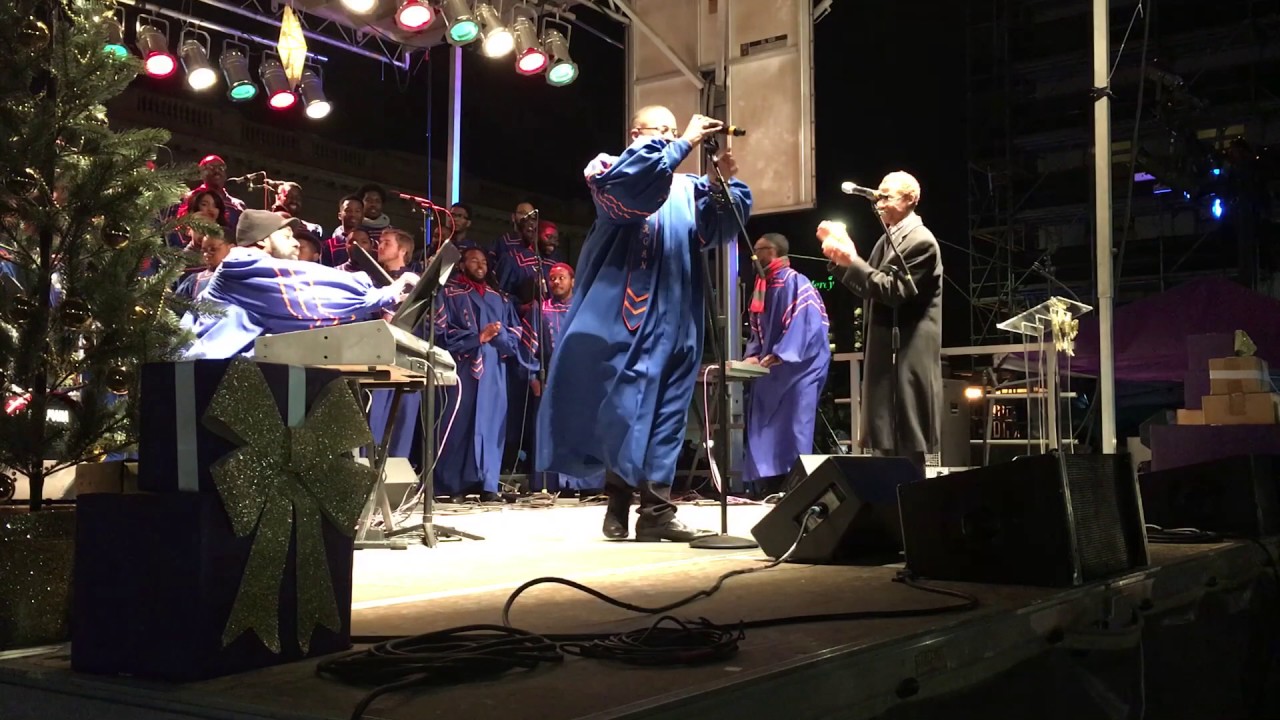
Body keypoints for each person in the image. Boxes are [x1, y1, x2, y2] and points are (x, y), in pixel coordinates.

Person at [537, 107, 753, 542]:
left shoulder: (688, 188)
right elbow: (632, 194)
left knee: (669, 413)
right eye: (664, 131)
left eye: (675, 131)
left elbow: (716, 232)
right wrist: (684, 142)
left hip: (678, 313)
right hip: (626, 315)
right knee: (624, 408)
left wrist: (722, 187)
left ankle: (657, 511)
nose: (674, 137)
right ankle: (617, 502)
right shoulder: (608, 168)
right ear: (637, 133)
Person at [817, 171, 942, 471]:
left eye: (887, 197)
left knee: (907, 436)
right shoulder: (889, 239)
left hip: (907, 353)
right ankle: (888, 492)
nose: (879, 202)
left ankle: (909, 492)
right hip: (887, 352)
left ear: (910, 199)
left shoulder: (921, 241)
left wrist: (851, 259)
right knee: (885, 436)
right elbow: (870, 285)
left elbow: (893, 290)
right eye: (878, 195)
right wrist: (843, 258)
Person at [182, 209, 417, 359]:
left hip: (222, 376)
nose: (295, 243)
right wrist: (387, 292)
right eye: (287, 236)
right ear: (262, 241)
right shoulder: (240, 264)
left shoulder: (245, 268)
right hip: (207, 378)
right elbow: (308, 291)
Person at [433, 247, 537, 500]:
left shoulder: (499, 298)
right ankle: (452, 485)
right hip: (462, 368)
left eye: (483, 262)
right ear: (461, 265)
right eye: (473, 261)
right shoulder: (448, 294)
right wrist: (478, 337)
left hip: (493, 370)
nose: (480, 265)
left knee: (492, 426)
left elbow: (514, 336)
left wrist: (497, 336)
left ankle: (488, 485)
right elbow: (439, 333)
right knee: (457, 425)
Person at [742, 233, 831, 495]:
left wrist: (782, 352)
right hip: (770, 368)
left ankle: (795, 488)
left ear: (775, 251)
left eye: (760, 249)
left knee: (795, 424)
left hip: (800, 366)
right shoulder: (762, 287)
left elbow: (807, 322)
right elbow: (757, 329)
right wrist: (753, 354)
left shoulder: (796, 282)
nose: (754, 255)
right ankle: (768, 484)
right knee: (762, 422)